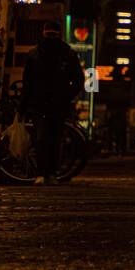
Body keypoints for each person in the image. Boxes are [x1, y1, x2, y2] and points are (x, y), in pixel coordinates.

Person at [20, 21, 84, 184]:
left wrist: (66, 96)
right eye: (49, 34)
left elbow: (28, 82)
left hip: (50, 103)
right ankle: (46, 173)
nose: (50, 38)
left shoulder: (60, 54)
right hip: (46, 103)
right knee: (46, 139)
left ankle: (48, 173)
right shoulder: (60, 54)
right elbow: (27, 82)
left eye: (52, 35)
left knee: (51, 140)